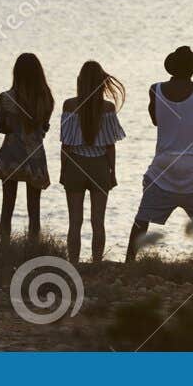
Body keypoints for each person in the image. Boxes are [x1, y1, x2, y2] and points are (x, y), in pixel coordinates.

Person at [126, 46, 193, 264]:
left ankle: (129, 262)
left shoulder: (155, 90)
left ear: (172, 68)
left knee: (142, 218)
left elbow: (155, 120)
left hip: (163, 168)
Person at [60, 60, 127, 262]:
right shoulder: (107, 107)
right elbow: (110, 145)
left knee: (75, 222)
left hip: (75, 164)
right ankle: (96, 262)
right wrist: (112, 172)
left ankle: (73, 263)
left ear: (80, 81)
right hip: (99, 166)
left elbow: (66, 145)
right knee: (98, 221)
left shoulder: (70, 105)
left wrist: (63, 171)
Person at [0, 52, 53, 244]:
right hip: (34, 155)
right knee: (34, 209)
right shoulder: (46, 99)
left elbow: (1, 128)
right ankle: (33, 247)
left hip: (11, 154)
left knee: (7, 205)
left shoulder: (5, 98)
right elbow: (43, 127)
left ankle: (4, 246)